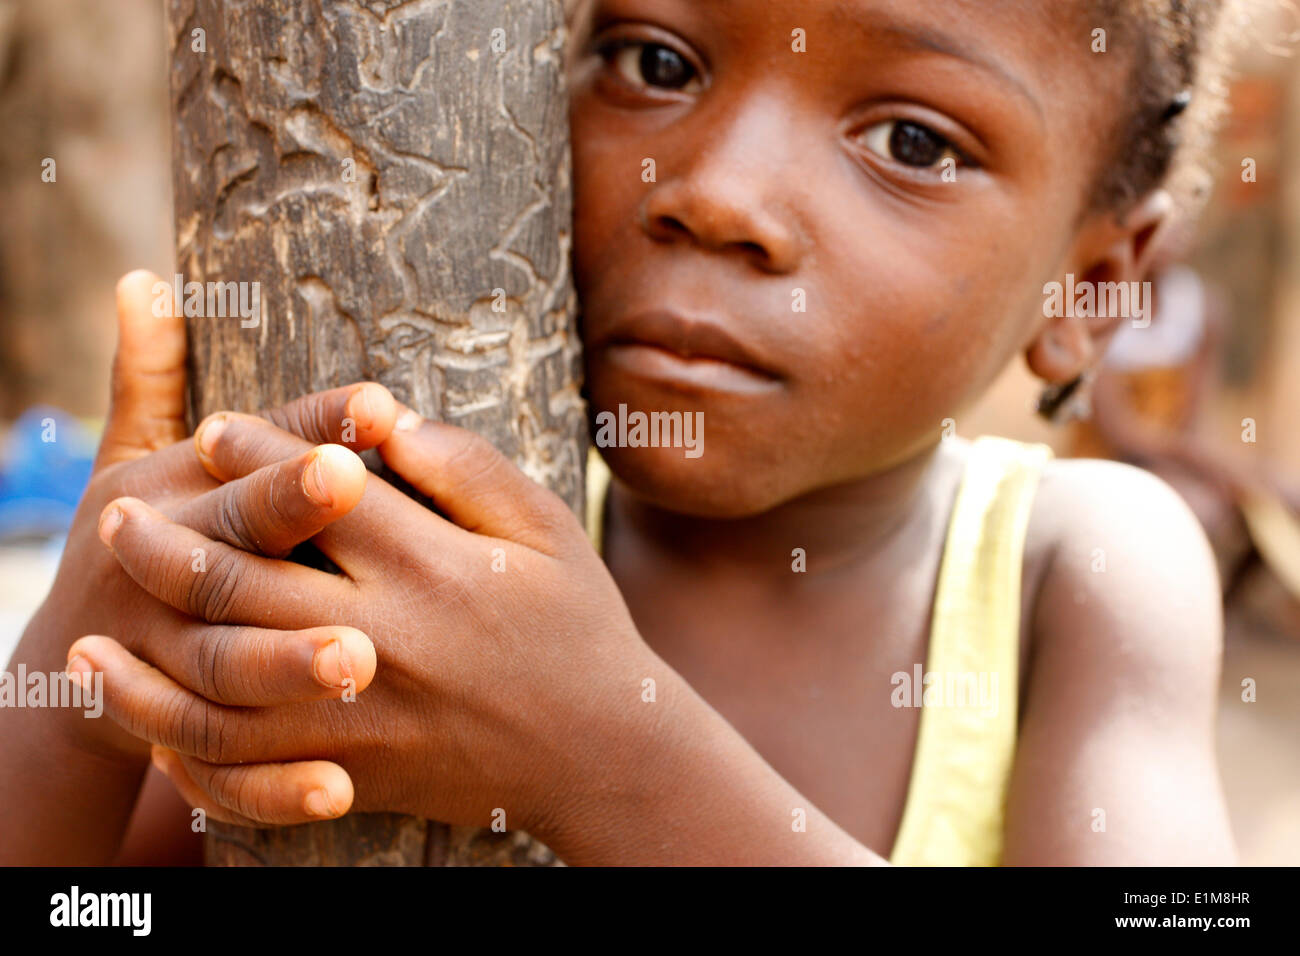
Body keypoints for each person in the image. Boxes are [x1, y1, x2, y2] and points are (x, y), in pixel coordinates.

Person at [2, 0, 1245, 865]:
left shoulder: (1080, 571)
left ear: (1090, 291)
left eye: (911, 141)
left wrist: (600, 746)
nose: (715, 191)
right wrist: (86, 672)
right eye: (656, 63)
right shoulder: (421, 546)